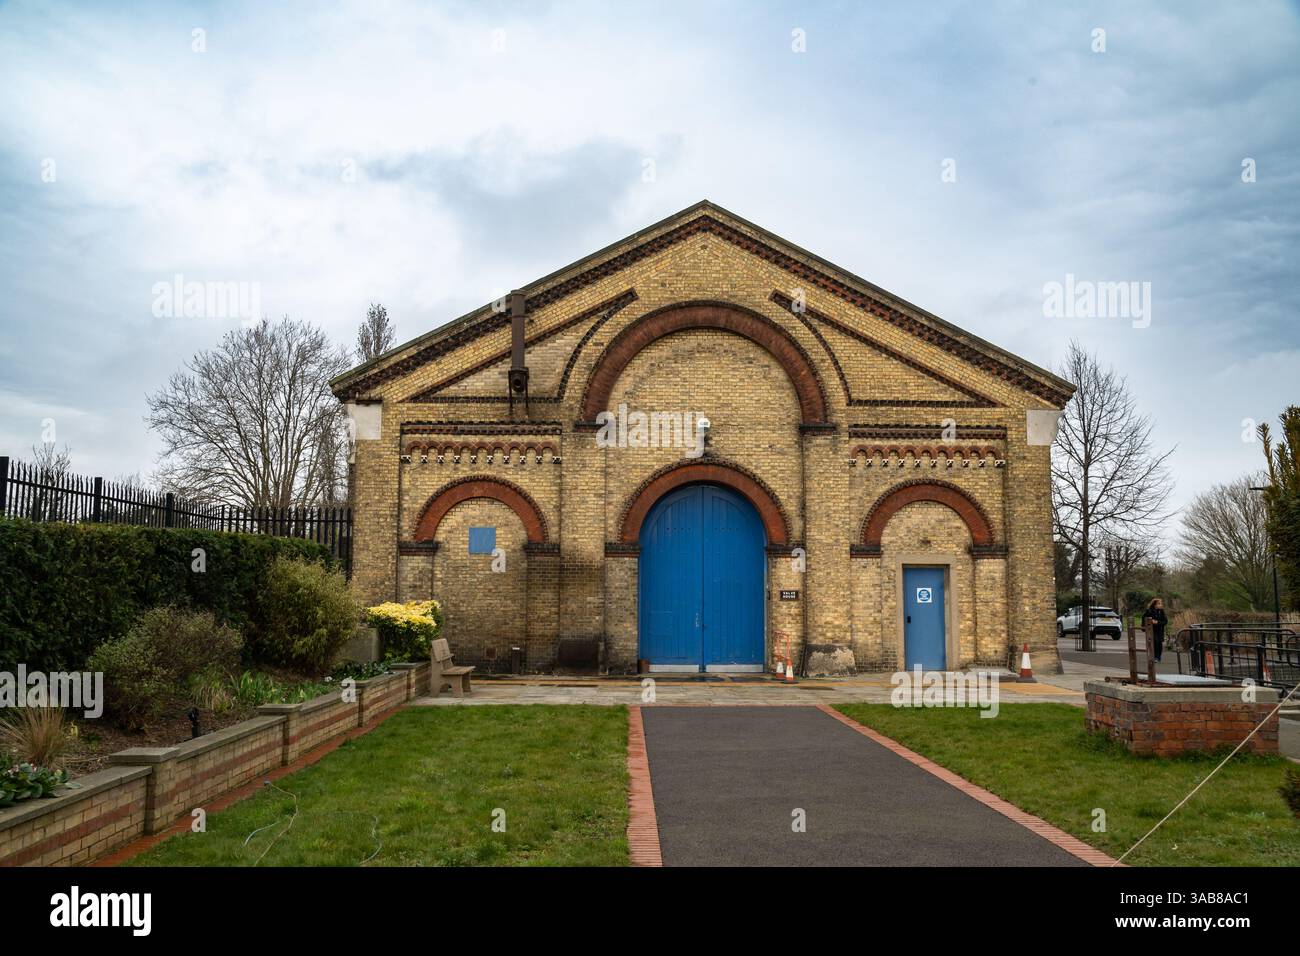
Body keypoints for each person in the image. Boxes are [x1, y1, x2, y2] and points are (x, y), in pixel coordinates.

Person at [1142, 597, 1168, 664]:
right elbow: (1143, 619)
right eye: (1159, 603)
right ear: (1154, 604)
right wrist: (1144, 627)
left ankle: (1158, 657)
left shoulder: (1162, 612)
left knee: (1159, 643)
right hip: (1151, 630)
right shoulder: (1149, 611)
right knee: (1154, 642)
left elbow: (1165, 621)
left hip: (1159, 630)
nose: (1160, 605)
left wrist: (1157, 622)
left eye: (1161, 603)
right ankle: (1155, 657)